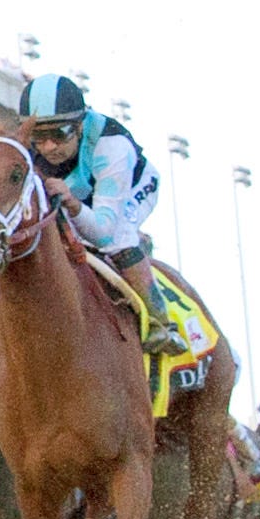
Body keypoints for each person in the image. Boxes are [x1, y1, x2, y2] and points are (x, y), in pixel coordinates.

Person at [17, 75, 188, 357]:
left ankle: (162, 324)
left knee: (117, 237)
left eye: (59, 134)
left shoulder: (113, 146)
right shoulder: (28, 148)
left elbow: (103, 230)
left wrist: (72, 204)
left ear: (80, 125)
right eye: (39, 136)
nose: (48, 147)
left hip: (130, 187)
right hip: (82, 191)